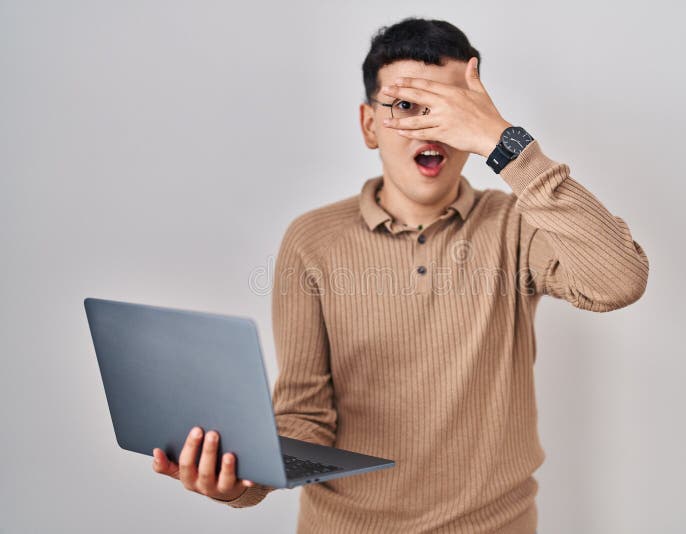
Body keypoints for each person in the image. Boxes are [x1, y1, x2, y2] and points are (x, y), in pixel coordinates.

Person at [152, 16, 649, 533]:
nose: (429, 127)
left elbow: (619, 281)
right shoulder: (312, 239)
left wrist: (506, 145)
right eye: (406, 107)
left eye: (450, 109)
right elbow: (304, 415)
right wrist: (242, 482)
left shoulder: (514, 225)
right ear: (369, 124)